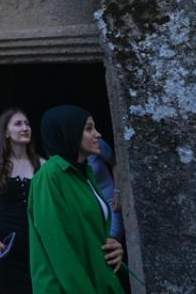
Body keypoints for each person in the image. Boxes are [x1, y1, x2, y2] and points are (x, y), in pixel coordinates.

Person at [28, 105, 124, 294]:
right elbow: (60, 249)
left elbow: (89, 230)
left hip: (97, 280)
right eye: (89, 128)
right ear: (69, 132)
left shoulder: (85, 171)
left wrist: (114, 247)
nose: (97, 135)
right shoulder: (50, 176)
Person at [0, 108, 43, 294]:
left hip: (36, 242)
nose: (25, 128)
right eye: (18, 124)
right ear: (6, 132)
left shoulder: (42, 165)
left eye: (27, 123)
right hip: (7, 243)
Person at [88, 137, 124, 241]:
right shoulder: (63, 156)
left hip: (111, 204)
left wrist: (117, 192)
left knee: (113, 241)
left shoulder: (95, 141)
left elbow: (116, 164)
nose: (96, 133)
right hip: (90, 213)